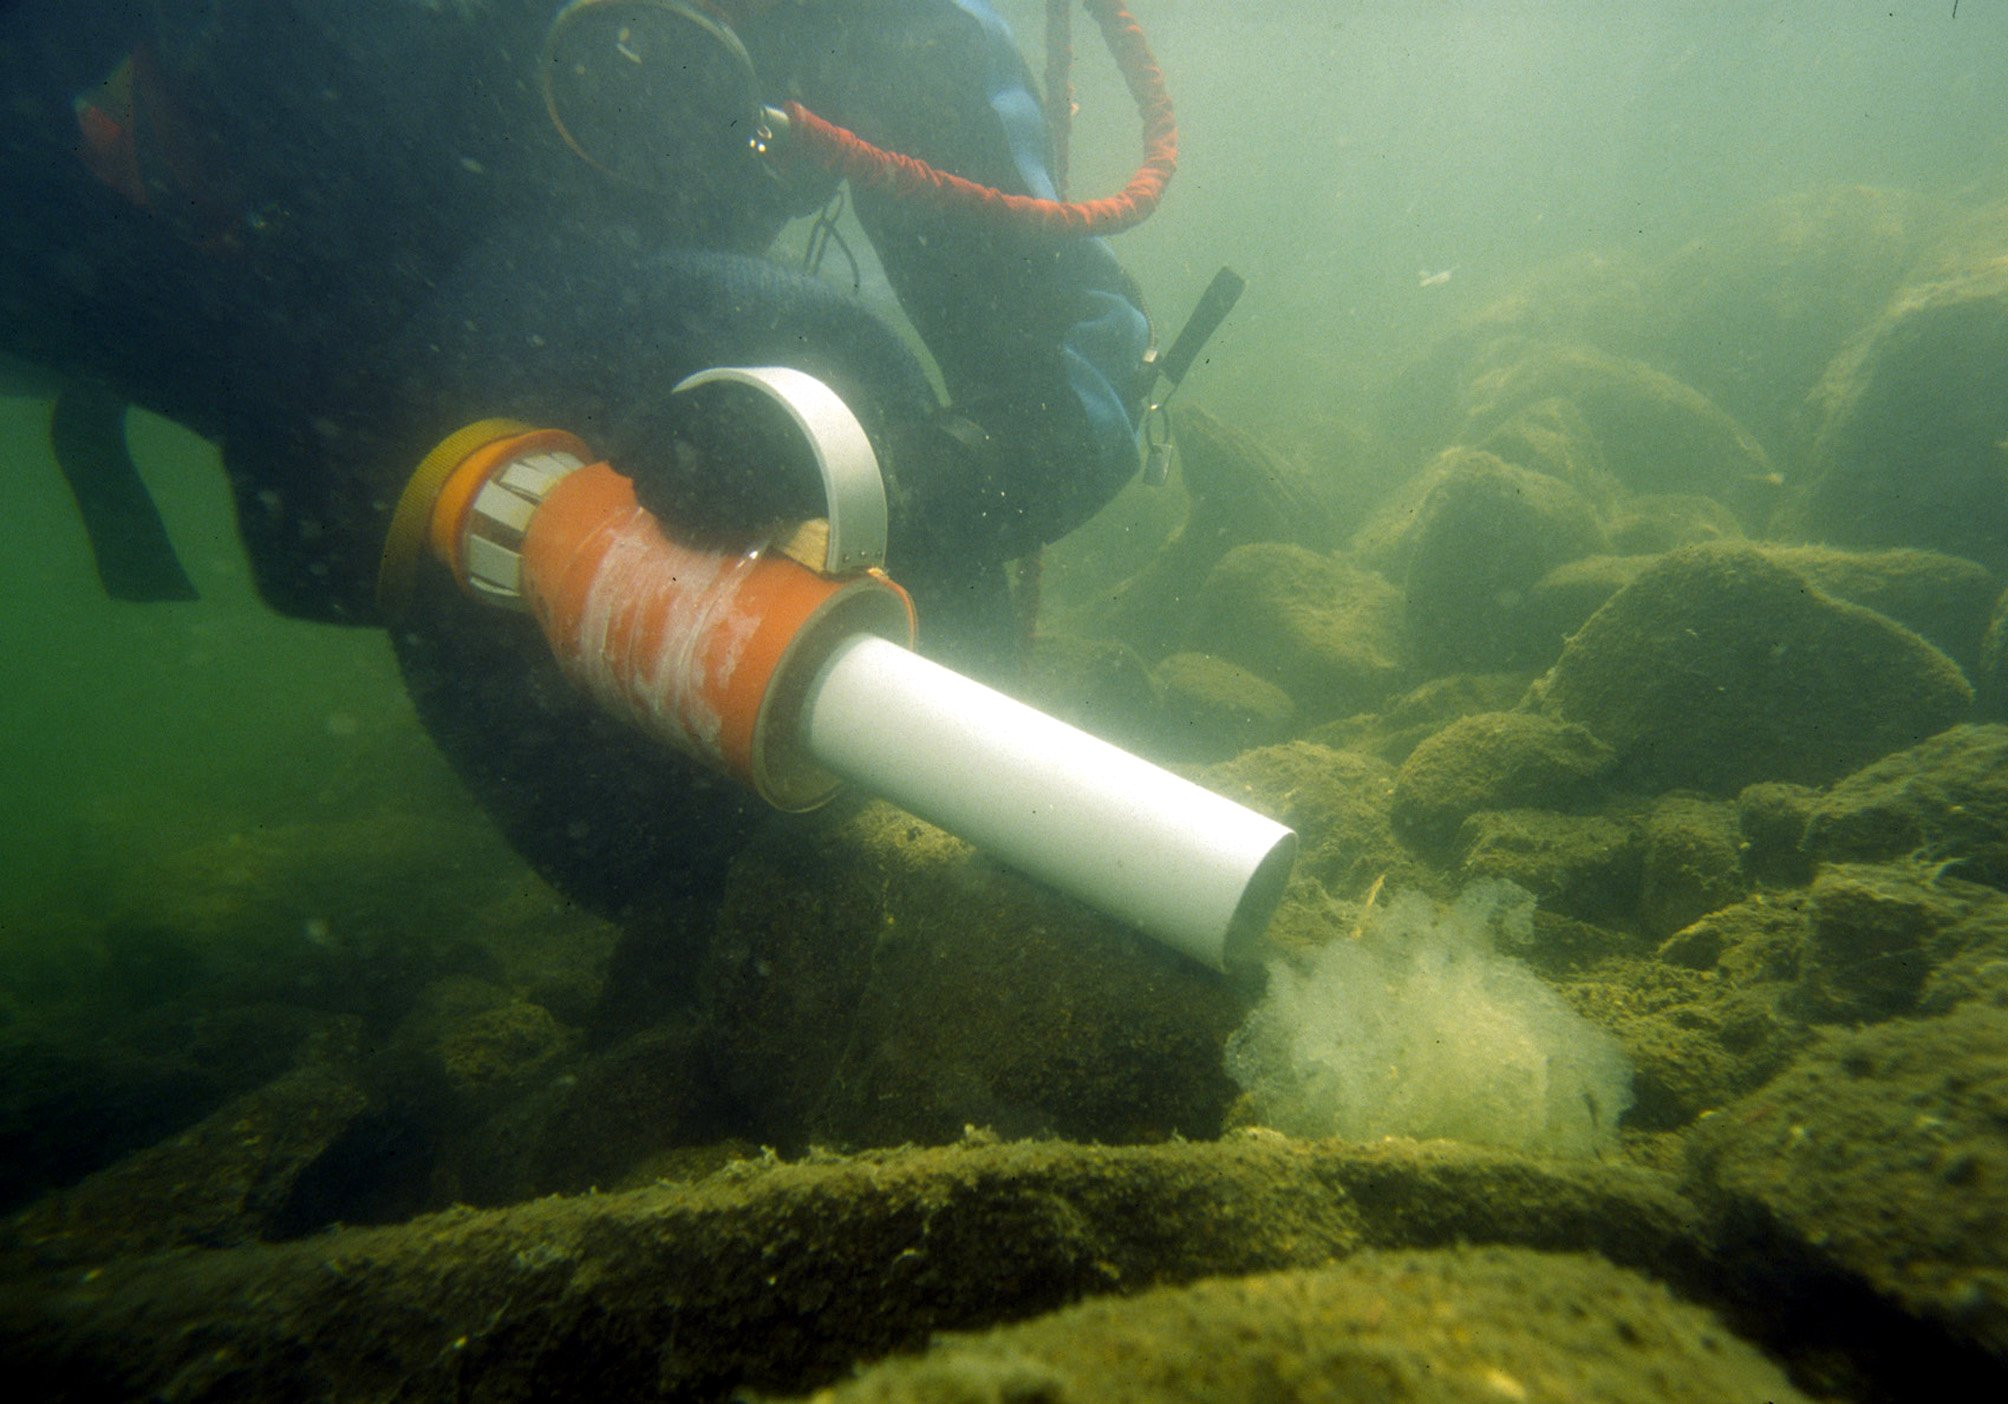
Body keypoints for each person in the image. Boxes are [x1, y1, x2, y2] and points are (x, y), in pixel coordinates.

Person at [0, 1, 1156, 927]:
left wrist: (888, 480)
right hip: (319, 340)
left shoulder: (889, 31)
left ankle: (747, 908)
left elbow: (1073, 377)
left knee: (790, 358)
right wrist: (271, 390)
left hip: (592, 358)